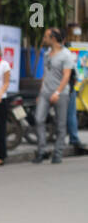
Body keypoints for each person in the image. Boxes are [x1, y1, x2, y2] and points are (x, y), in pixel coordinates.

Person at [35, 27, 75, 164]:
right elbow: (45, 74)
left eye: (46, 37)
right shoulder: (47, 54)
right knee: (39, 119)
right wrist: (41, 92)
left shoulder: (66, 55)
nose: (44, 39)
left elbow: (66, 76)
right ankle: (42, 151)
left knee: (60, 125)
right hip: (45, 92)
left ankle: (57, 153)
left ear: (53, 39)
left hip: (61, 94)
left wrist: (57, 92)